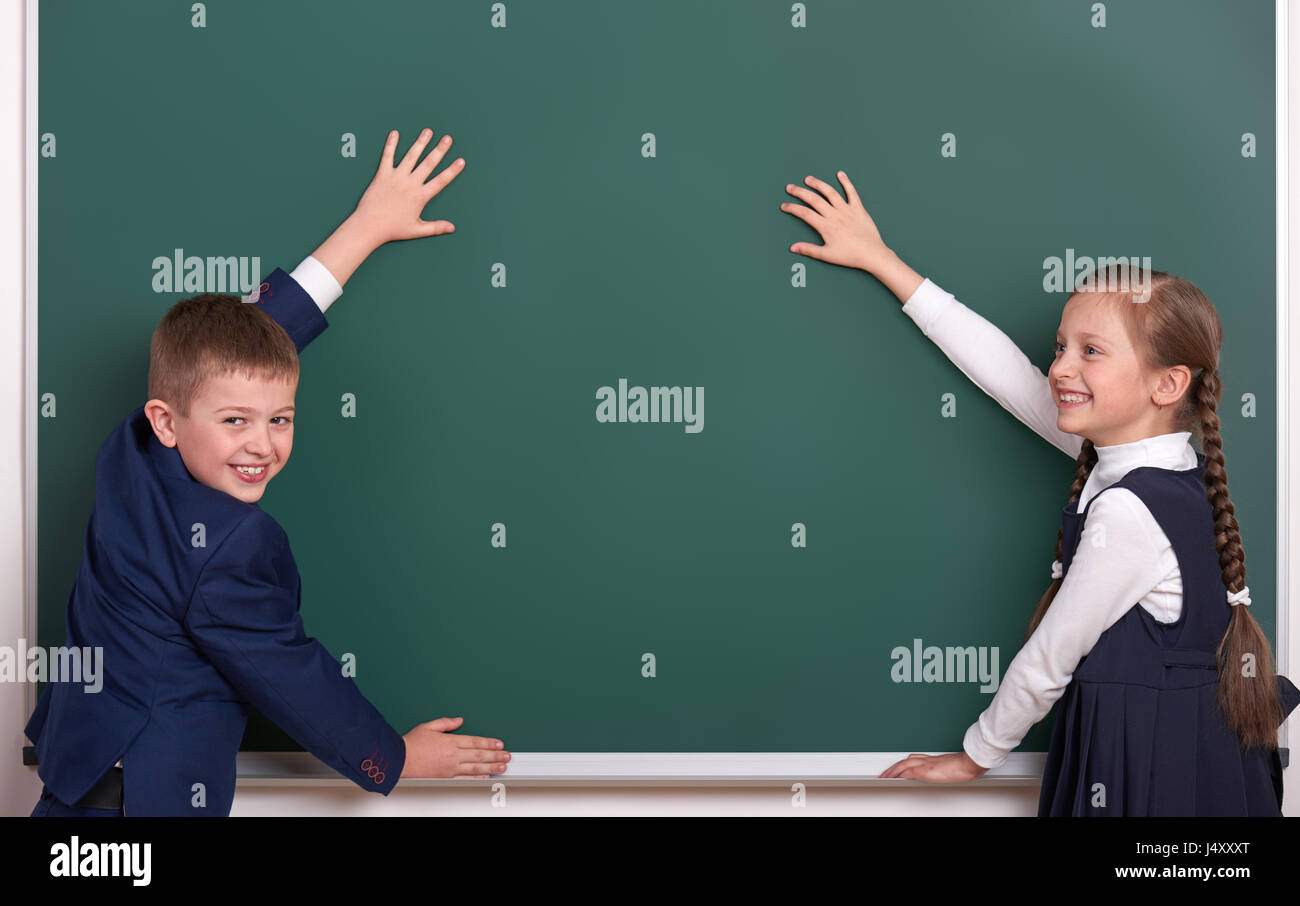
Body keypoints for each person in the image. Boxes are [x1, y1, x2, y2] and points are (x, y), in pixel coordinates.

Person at [780, 171, 1300, 815]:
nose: (1060, 367)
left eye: (1091, 351)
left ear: (1165, 385)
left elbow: (1051, 655)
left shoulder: (1128, 509)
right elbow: (1008, 375)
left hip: (1152, 772)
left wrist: (975, 755)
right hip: (1192, 761)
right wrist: (881, 260)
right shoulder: (1158, 459)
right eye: (1061, 346)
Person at [28, 128, 511, 816]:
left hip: (74, 780)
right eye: (236, 422)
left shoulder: (131, 453)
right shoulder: (233, 547)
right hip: (146, 799)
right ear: (169, 421)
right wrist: (395, 760)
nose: (262, 444)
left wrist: (366, 228)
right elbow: (291, 674)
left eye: (280, 419)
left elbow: (242, 347)